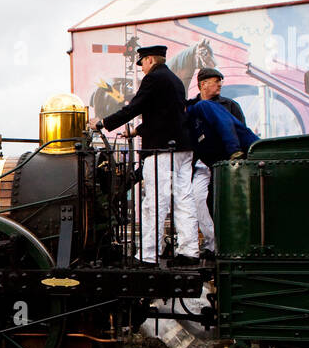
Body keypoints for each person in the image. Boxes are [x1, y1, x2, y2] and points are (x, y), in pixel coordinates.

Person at [90, 45, 198, 266]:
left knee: (154, 202)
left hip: (161, 150)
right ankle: (189, 251)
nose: (142, 68)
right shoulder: (175, 81)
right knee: (183, 199)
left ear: (149, 60)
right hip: (183, 148)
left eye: (143, 63)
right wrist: (137, 131)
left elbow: (134, 108)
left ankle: (148, 255)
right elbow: (166, 115)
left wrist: (103, 122)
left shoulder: (153, 79)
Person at [187, 94, 259, 256]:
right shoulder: (191, 124)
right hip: (220, 165)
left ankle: (237, 245)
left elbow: (224, 123)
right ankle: (222, 245)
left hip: (241, 157)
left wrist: (234, 151)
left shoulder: (202, 107)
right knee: (212, 201)